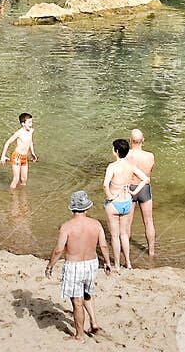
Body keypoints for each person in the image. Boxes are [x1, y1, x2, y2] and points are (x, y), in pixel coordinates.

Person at [45, 191, 114, 341]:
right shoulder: (96, 224)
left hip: (74, 266)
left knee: (77, 302)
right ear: (87, 208)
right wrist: (108, 262)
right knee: (87, 294)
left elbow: (58, 250)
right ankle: (94, 323)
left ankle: (79, 335)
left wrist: (50, 265)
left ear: (72, 209)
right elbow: (103, 245)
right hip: (92, 264)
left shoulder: (67, 227)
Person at [103, 138, 150, 271]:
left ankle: (117, 264)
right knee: (124, 234)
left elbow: (105, 185)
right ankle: (128, 263)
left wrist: (110, 197)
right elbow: (145, 179)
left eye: (113, 149)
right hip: (127, 202)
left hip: (115, 203)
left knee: (115, 236)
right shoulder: (130, 165)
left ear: (116, 151)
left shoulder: (112, 167)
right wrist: (134, 190)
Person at [127, 128, 156, 259]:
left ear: (130, 141)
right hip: (144, 188)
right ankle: (151, 252)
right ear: (143, 140)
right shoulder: (150, 156)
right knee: (149, 221)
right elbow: (150, 172)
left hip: (130, 188)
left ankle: (125, 252)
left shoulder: (126, 155)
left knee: (127, 222)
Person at [0, 113, 38, 190]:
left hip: (24, 158)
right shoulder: (19, 133)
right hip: (17, 157)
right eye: (29, 122)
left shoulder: (31, 131)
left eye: (32, 122)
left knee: (24, 180)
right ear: (23, 124)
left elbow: (30, 141)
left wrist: (32, 153)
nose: (31, 124)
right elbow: (8, 142)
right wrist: (3, 156)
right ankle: (12, 196)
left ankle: (22, 196)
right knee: (16, 179)